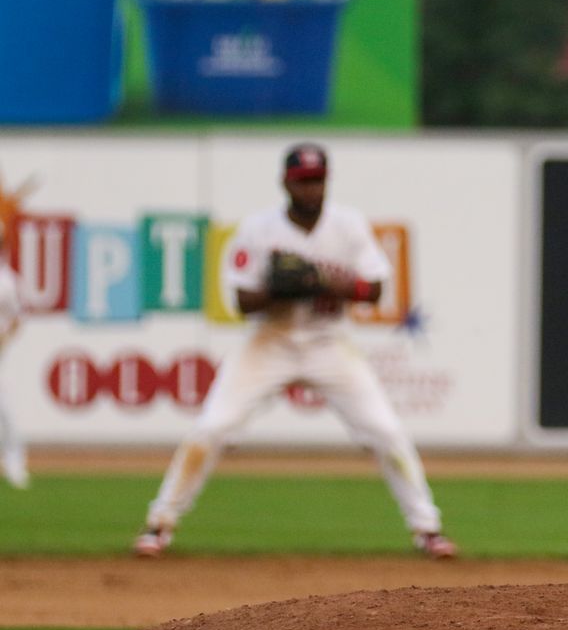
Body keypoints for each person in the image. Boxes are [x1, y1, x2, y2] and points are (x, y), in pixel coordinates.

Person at [133, 144, 457, 560]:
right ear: (286, 182)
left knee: (387, 432)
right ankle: (159, 523)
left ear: (327, 181)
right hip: (270, 341)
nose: (311, 188)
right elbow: (243, 302)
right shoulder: (258, 228)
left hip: (329, 343)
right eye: (303, 181)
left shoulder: (348, 224)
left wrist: (318, 279)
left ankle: (427, 528)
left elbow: (374, 289)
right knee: (211, 429)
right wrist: (279, 289)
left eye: (317, 180)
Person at [0, 217, 28, 489]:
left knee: (4, 407)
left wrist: (4, 340)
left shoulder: (6, 281)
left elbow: (18, 319)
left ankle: (15, 462)